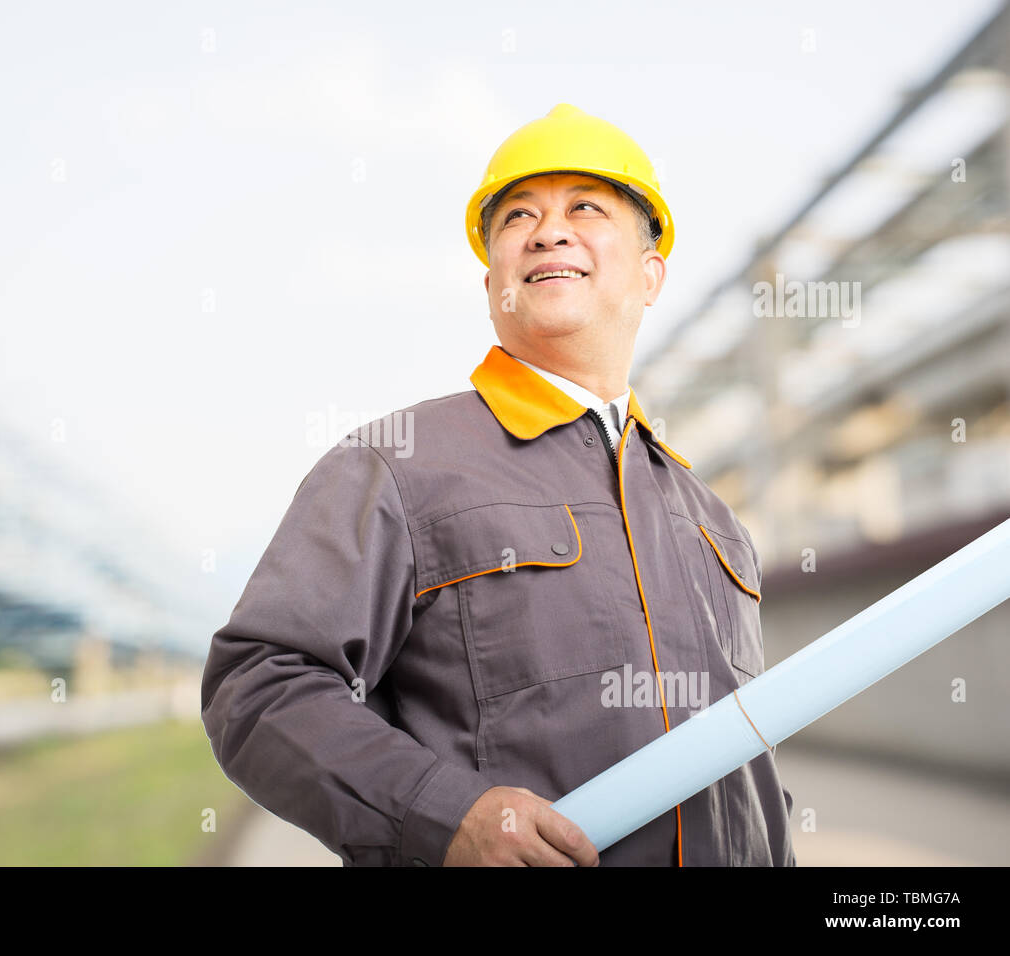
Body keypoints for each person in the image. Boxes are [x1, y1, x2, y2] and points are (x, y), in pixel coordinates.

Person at [200, 104, 796, 867]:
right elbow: (258, 685)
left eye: (586, 206)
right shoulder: (399, 465)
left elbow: (751, 771)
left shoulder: (709, 518)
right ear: (494, 283)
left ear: (652, 275)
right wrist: (444, 816)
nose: (549, 230)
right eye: (519, 216)